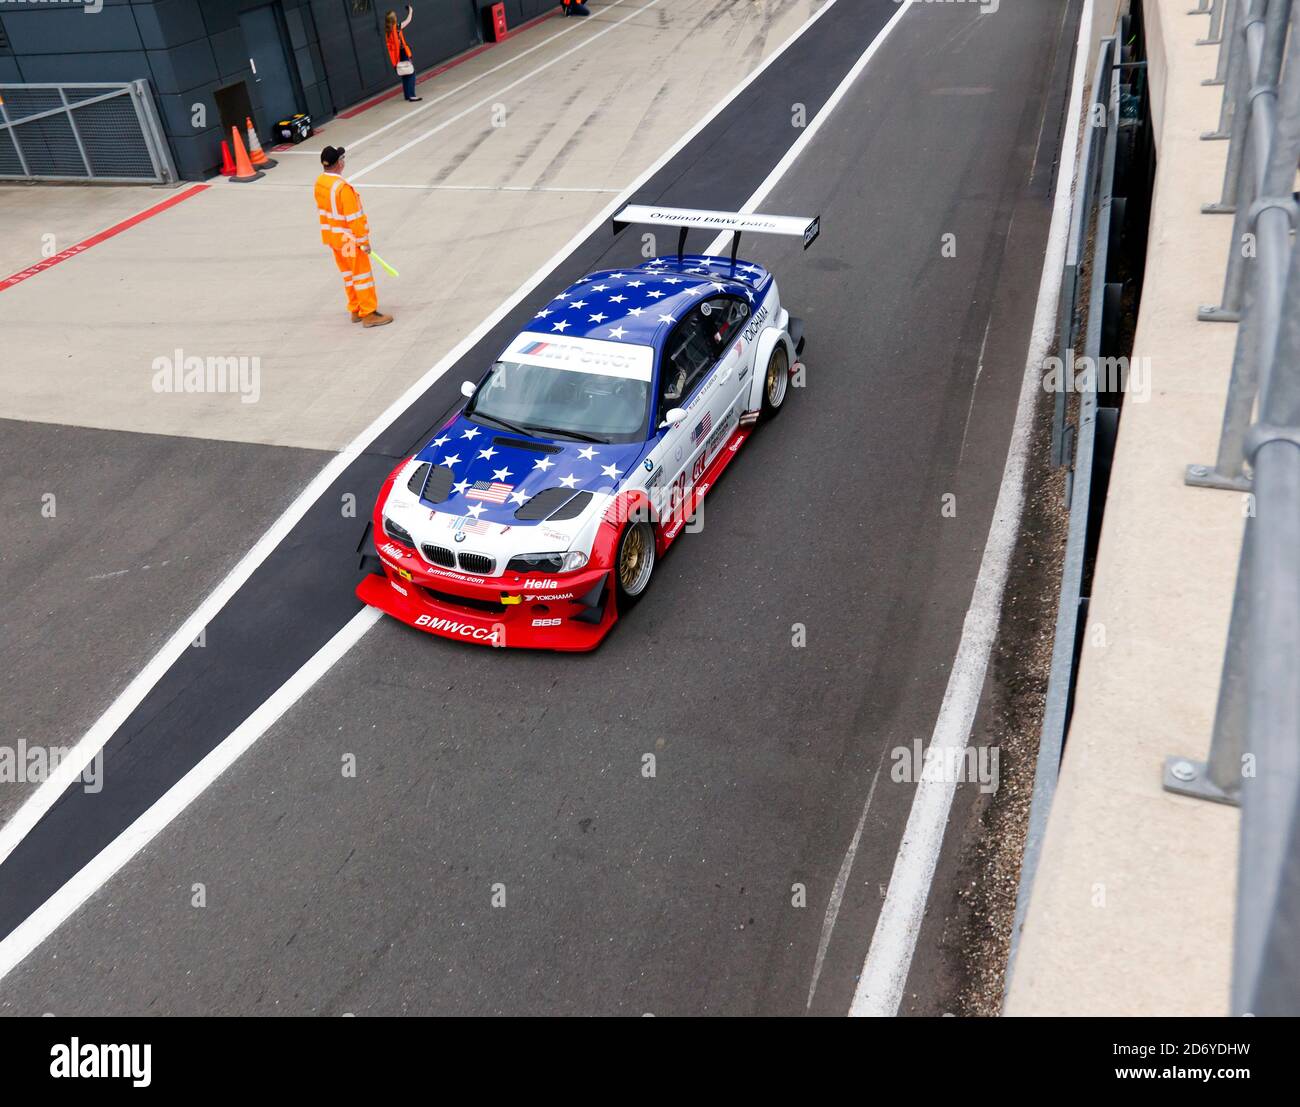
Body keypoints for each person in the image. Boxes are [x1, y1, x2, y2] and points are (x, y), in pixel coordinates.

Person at [314, 146, 393, 328]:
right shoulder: (343, 189)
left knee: (348, 276)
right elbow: (354, 219)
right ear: (339, 163)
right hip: (349, 241)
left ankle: (356, 309)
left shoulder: (320, 182)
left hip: (333, 239)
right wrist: (364, 242)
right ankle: (369, 314)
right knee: (362, 276)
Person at [385, 6, 422, 102]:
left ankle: (407, 95)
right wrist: (410, 11)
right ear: (394, 19)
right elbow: (408, 20)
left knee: (404, 74)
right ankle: (412, 95)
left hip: (397, 56)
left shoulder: (387, 32)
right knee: (411, 73)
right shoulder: (397, 27)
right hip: (403, 52)